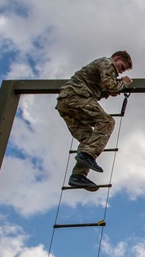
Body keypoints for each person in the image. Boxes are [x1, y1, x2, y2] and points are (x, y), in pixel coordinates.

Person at [56, 51, 134, 190]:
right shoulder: (107, 63)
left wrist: (110, 90)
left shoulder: (103, 68)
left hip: (66, 103)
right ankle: (87, 155)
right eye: (122, 67)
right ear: (117, 59)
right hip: (76, 97)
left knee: (88, 139)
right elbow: (110, 85)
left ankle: (78, 176)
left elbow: (104, 88)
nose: (120, 72)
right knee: (107, 122)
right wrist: (123, 84)